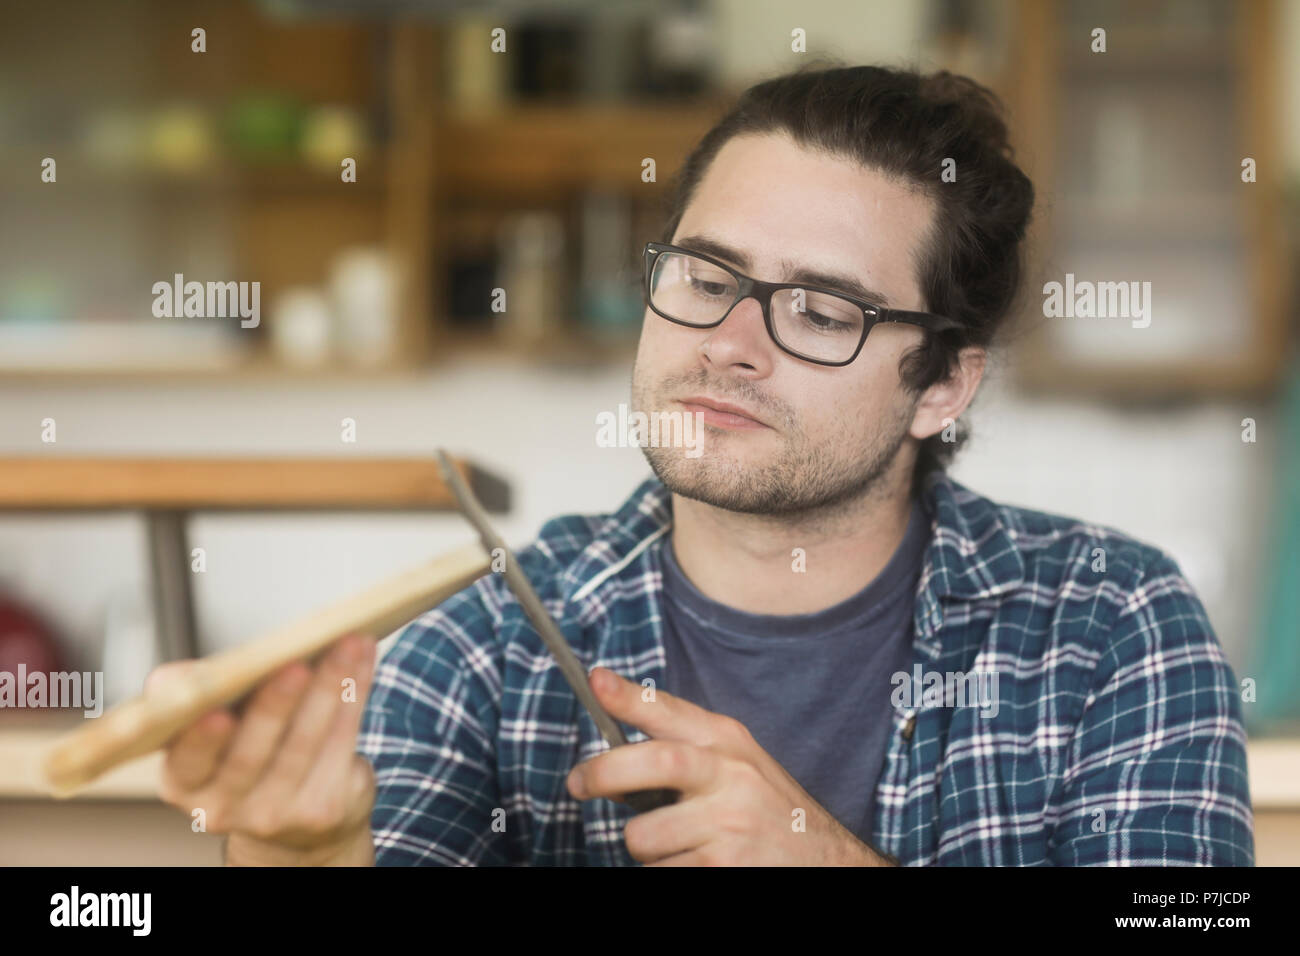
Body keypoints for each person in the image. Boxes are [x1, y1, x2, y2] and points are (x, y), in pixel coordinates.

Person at [151, 63, 1254, 866]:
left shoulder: (1113, 621)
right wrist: (305, 846)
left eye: (820, 309)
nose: (728, 342)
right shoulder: (489, 637)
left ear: (942, 386)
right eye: (704, 274)